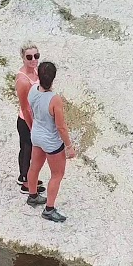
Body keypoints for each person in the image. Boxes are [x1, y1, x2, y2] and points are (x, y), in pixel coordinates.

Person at [24, 61, 76, 222]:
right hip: (51, 141)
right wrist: (69, 146)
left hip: (36, 135)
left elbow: (30, 109)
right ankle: (49, 209)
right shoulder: (55, 100)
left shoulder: (32, 90)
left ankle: (32, 196)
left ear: (38, 75)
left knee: (34, 167)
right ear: (53, 78)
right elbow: (61, 127)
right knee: (57, 174)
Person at [14, 43, 44, 195]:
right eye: (29, 57)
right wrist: (32, 127)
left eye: (36, 56)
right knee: (27, 150)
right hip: (26, 121)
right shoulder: (23, 80)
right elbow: (25, 107)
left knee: (30, 150)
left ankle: (27, 177)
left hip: (36, 117)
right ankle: (26, 182)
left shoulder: (36, 71)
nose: (33, 60)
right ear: (23, 58)